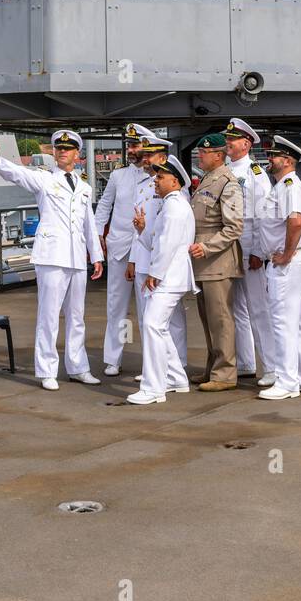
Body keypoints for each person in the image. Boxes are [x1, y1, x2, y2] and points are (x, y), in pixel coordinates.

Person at [0, 129, 103, 387]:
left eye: (68, 148)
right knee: (49, 316)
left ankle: (78, 367)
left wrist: (96, 256)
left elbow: (88, 223)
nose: (62, 152)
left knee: (77, 316)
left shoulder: (84, 186)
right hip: (51, 256)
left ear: (77, 153)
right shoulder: (45, 180)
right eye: (58, 148)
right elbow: (18, 174)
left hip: (76, 257)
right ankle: (47, 370)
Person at [127, 155, 197, 404]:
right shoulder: (170, 204)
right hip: (170, 276)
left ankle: (154, 387)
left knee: (152, 326)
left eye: (161, 177)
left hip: (169, 277)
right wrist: (142, 229)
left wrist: (154, 274)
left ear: (175, 182)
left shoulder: (175, 206)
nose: (156, 181)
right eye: (156, 177)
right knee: (159, 327)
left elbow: (167, 246)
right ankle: (176, 378)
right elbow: (155, 242)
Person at [256, 135, 301, 400]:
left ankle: (287, 382)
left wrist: (286, 255)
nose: (269, 160)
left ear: (287, 160)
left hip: (290, 262)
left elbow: (295, 221)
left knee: (282, 321)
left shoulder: (290, 185)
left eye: (273, 156)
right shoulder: (283, 185)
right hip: (299, 258)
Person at [94, 123, 153, 376]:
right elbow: (104, 206)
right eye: (129, 145)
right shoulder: (118, 176)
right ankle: (113, 358)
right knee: (116, 307)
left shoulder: (155, 176)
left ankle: (149, 363)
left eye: (135, 145)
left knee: (146, 309)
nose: (131, 150)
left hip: (143, 249)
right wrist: (97, 236)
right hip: (119, 248)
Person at [189, 133, 244, 391]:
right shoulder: (208, 180)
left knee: (220, 318)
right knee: (208, 319)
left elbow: (233, 228)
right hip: (203, 263)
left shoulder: (227, 183)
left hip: (217, 262)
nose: (200, 155)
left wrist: (207, 247)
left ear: (218, 155)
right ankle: (213, 369)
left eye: (204, 152)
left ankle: (225, 374)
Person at [224, 117, 276, 386]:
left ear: (246, 144)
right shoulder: (224, 170)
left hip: (249, 249)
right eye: (228, 139)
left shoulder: (255, 173)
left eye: (233, 140)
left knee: (258, 309)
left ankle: (272, 367)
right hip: (228, 249)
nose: (228, 143)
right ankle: (245, 363)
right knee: (236, 310)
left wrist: (259, 251)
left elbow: (264, 214)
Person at [130, 134, 188, 376]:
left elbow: (172, 235)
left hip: (165, 264)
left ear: (162, 158)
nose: (145, 159)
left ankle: (178, 364)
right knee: (148, 319)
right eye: (144, 155)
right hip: (146, 256)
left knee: (170, 321)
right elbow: (140, 227)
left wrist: (158, 269)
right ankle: (153, 366)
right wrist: (134, 259)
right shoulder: (144, 185)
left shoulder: (175, 194)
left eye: (150, 155)